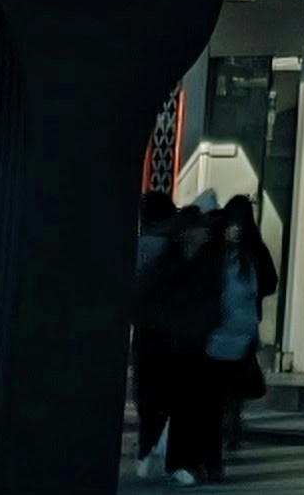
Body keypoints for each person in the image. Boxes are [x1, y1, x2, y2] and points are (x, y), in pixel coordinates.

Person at [133, 200, 229, 487]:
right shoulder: (169, 265)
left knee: (191, 407)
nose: (203, 235)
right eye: (199, 230)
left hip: (193, 346)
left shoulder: (206, 264)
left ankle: (184, 460)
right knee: (171, 404)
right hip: (170, 346)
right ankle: (172, 458)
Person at [202, 194, 276, 476]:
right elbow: (267, 284)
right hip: (233, 334)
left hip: (227, 335)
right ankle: (225, 434)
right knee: (227, 393)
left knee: (218, 396)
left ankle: (218, 444)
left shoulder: (238, 257)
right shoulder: (250, 252)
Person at [132, 189, 184, 477]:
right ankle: (167, 448)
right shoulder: (180, 243)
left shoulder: (147, 244)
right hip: (177, 330)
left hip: (149, 327)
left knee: (148, 391)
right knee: (169, 392)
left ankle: (147, 443)